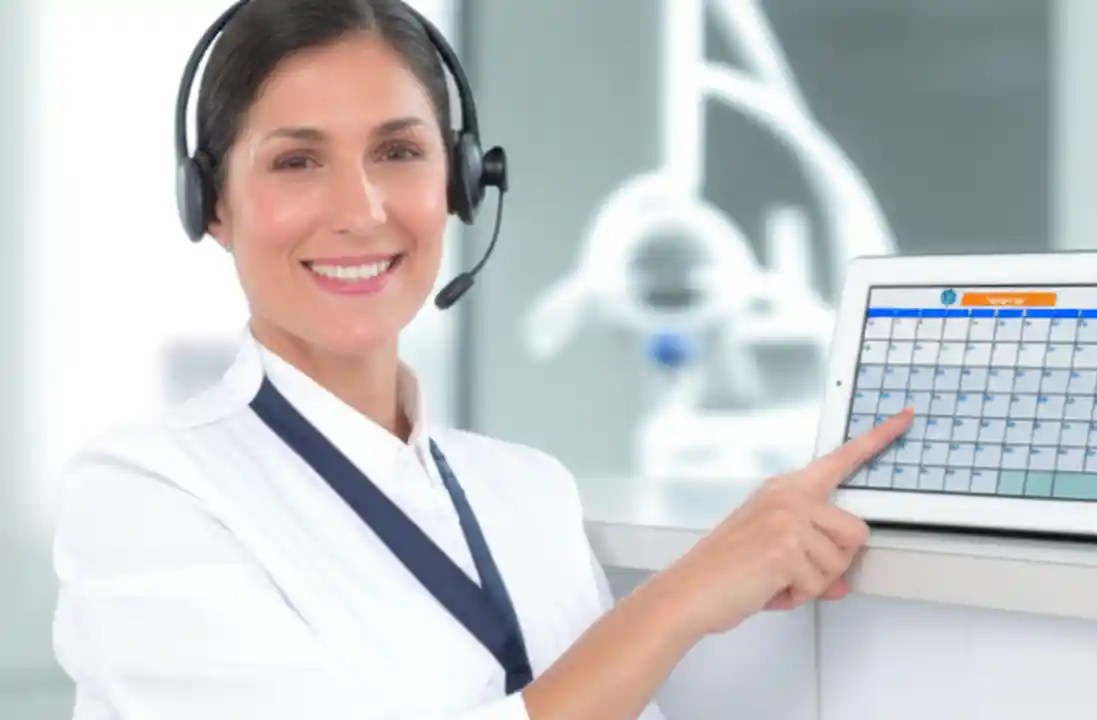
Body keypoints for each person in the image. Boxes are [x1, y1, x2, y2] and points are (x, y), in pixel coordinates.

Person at [50, 1, 913, 718]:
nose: (361, 210)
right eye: (297, 161)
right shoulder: (146, 494)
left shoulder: (526, 493)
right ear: (212, 206)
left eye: (398, 152)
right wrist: (683, 600)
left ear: (461, 183)